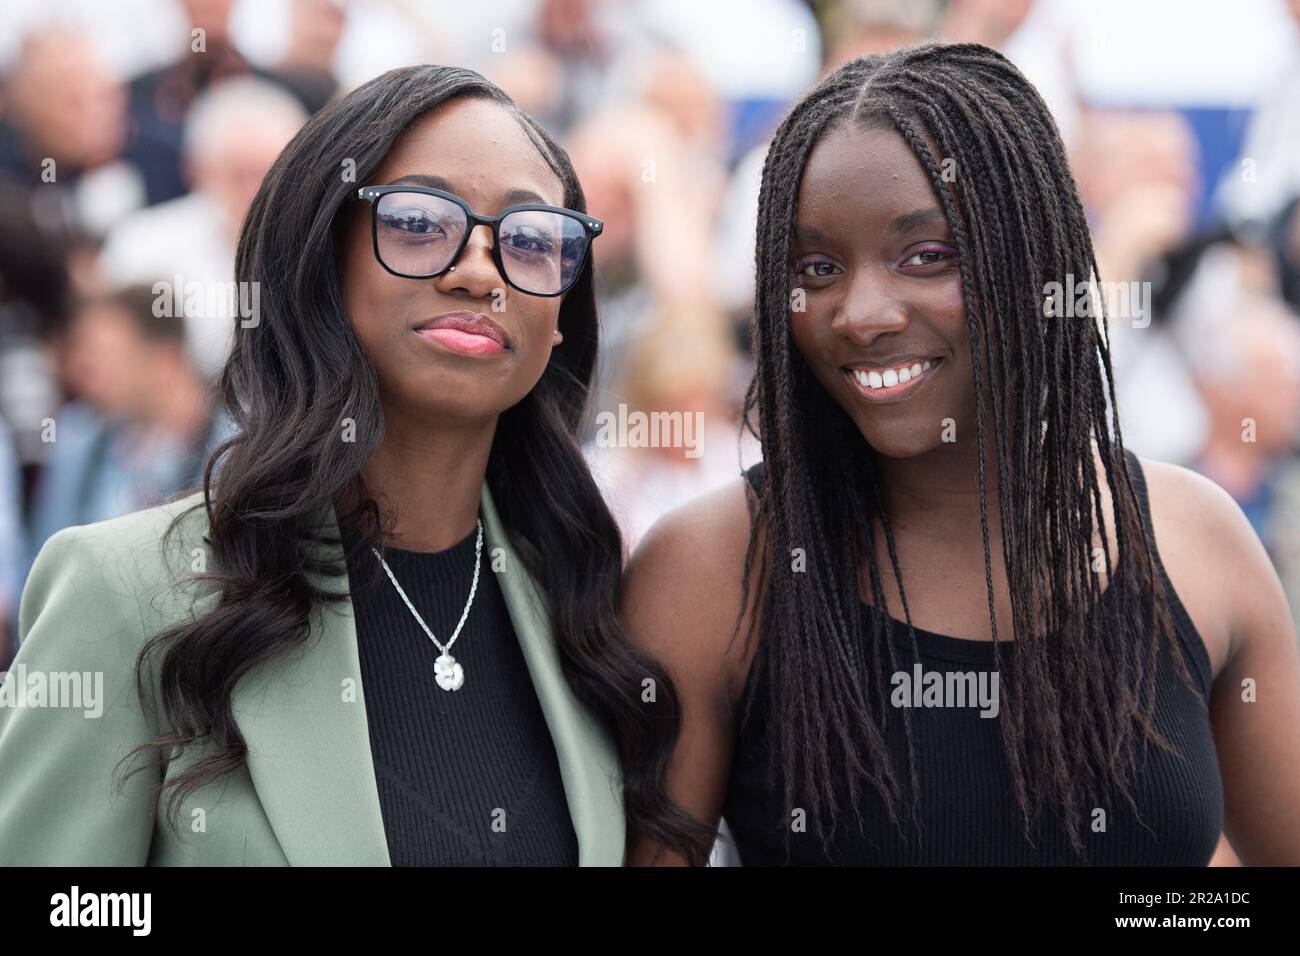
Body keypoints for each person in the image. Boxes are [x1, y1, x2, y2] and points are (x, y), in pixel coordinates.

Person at [619, 43, 1300, 866]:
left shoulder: (1198, 544)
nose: (861, 313)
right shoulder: (711, 570)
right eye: (818, 267)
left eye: (927, 256)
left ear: (1034, 257)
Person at [0, 65, 652, 866]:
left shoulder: (587, 605)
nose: (479, 270)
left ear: (561, 317)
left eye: (530, 239)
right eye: (418, 221)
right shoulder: (125, 591)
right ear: (319, 260)